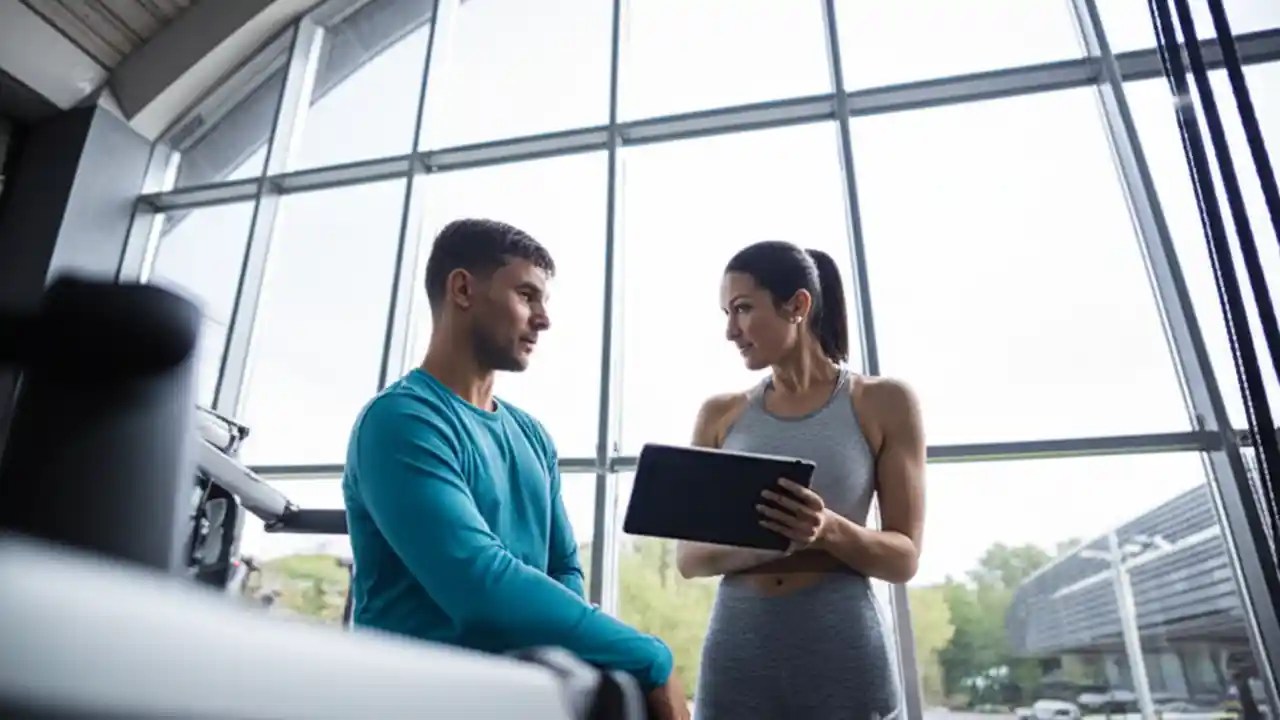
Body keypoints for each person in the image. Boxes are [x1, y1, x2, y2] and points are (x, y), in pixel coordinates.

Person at [342, 218, 688, 720]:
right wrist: (652, 658)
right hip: (414, 703)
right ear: (462, 289)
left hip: (521, 702)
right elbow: (481, 584)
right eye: (527, 295)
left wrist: (568, 660)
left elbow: (563, 569)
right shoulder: (400, 420)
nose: (543, 319)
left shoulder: (532, 436)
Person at [676, 240, 926, 719]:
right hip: (738, 650)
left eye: (744, 309)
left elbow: (904, 559)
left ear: (798, 306)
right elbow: (688, 558)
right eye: (727, 313)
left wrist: (829, 528)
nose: (731, 330)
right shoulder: (719, 414)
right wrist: (769, 541)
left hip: (841, 648)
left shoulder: (884, 402)